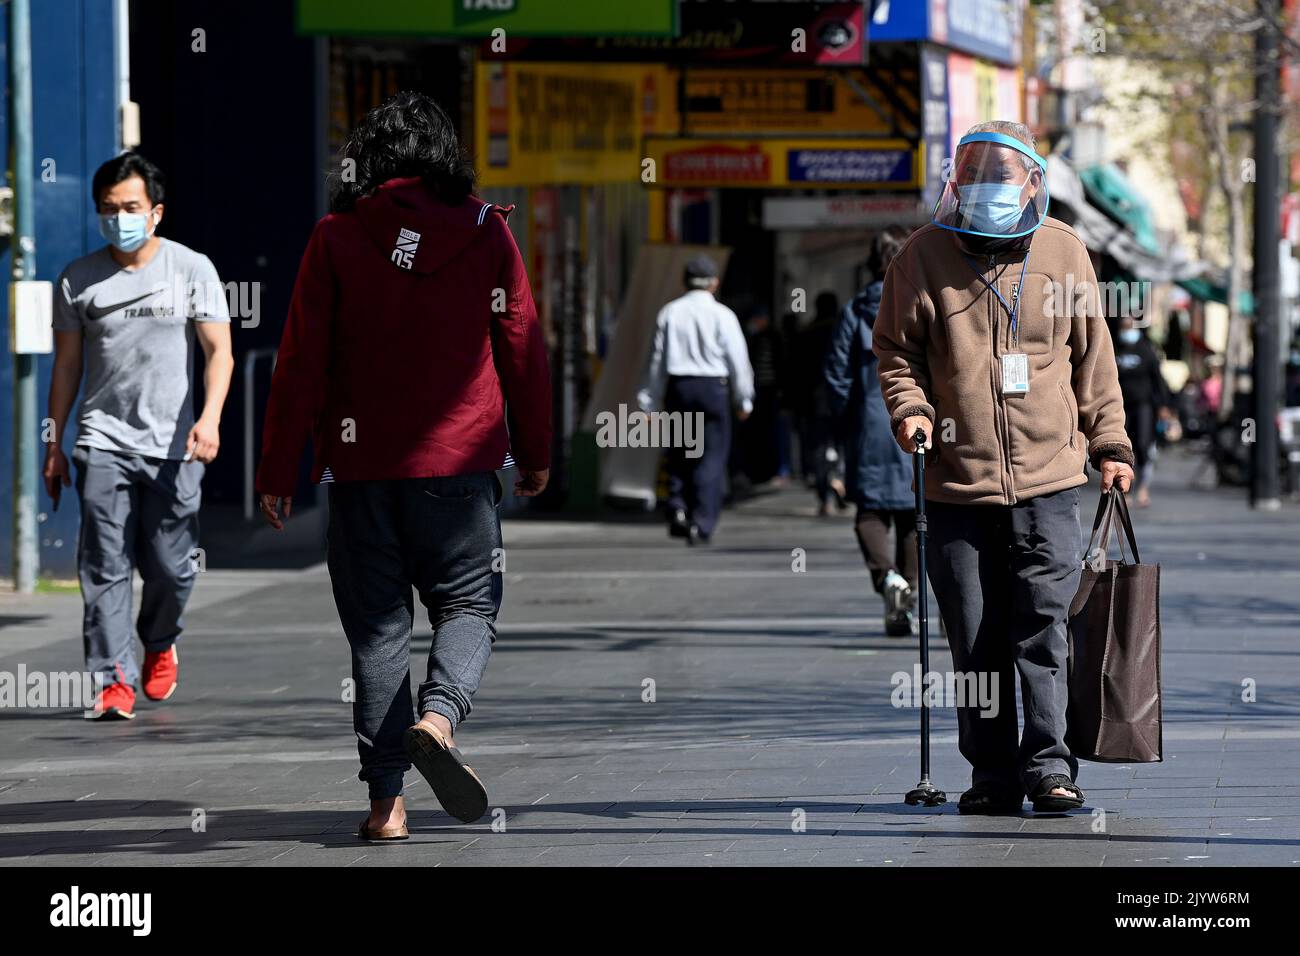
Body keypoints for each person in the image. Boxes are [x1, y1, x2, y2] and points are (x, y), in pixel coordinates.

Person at [255, 92, 552, 838]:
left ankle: (386, 805)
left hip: (358, 472)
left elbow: (299, 362)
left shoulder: (335, 237)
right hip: (459, 465)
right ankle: (441, 720)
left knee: (379, 633)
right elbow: (522, 345)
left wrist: (274, 469)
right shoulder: (487, 234)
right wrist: (539, 451)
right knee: (469, 605)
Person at [873, 121, 1136, 816]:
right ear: (957, 187)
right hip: (955, 480)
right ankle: (989, 771)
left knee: (1043, 626)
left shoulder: (1065, 251)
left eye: (1001, 184)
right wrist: (912, 410)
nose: (988, 197)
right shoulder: (922, 256)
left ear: (1030, 186)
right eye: (976, 184)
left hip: (1050, 478)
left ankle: (1050, 766)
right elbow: (896, 352)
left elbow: (1093, 357)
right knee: (974, 633)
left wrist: (1111, 446)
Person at [44, 152, 233, 721]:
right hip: (101, 442)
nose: (119, 217)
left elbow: (219, 351)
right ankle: (112, 680)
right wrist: (55, 442)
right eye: (107, 209)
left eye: (129, 207)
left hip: (176, 446)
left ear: (155, 212)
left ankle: (158, 639)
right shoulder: (78, 278)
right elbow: (67, 367)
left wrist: (212, 418)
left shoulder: (191, 268)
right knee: (104, 565)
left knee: (173, 569)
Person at [824, 228, 917, 636]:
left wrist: (847, 419)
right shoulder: (921, 304)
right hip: (917, 419)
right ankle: (908, 591)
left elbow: (836, 374)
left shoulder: (853, 311)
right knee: (916, 513)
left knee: (871, 509)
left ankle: (888, 579)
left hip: (869, 419)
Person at [637, 256, 754, 545]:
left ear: (684, 281)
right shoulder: (723, 315)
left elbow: (656, 361)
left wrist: (648, 401)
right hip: (713, 389)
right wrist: (743, 400)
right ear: (714, 283)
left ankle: (678, 508)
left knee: (680, 452)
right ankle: (701, 522)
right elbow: (738, 360)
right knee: (711, 457)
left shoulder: (669, 313)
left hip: (680, 388)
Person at [794, 291, 847, 515]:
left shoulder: (807, 333)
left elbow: (797, 371)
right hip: (842, 398)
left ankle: (825, 494)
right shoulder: (843, 329)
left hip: (815, 400)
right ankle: (841, 482)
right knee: (843, 444)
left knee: (819, 447)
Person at [1114, 315, 1174, 507]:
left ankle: (1142, 488)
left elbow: (1158, 379)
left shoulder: (1146, 349)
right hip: (1120, 407)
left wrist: (1163, 405)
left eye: (1129, 326)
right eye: (1123, 326)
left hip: (1143, 405)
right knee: (1124, 446)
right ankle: (1126, 489)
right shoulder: (1115, 348)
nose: (1127, 330)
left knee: (1143, 445)